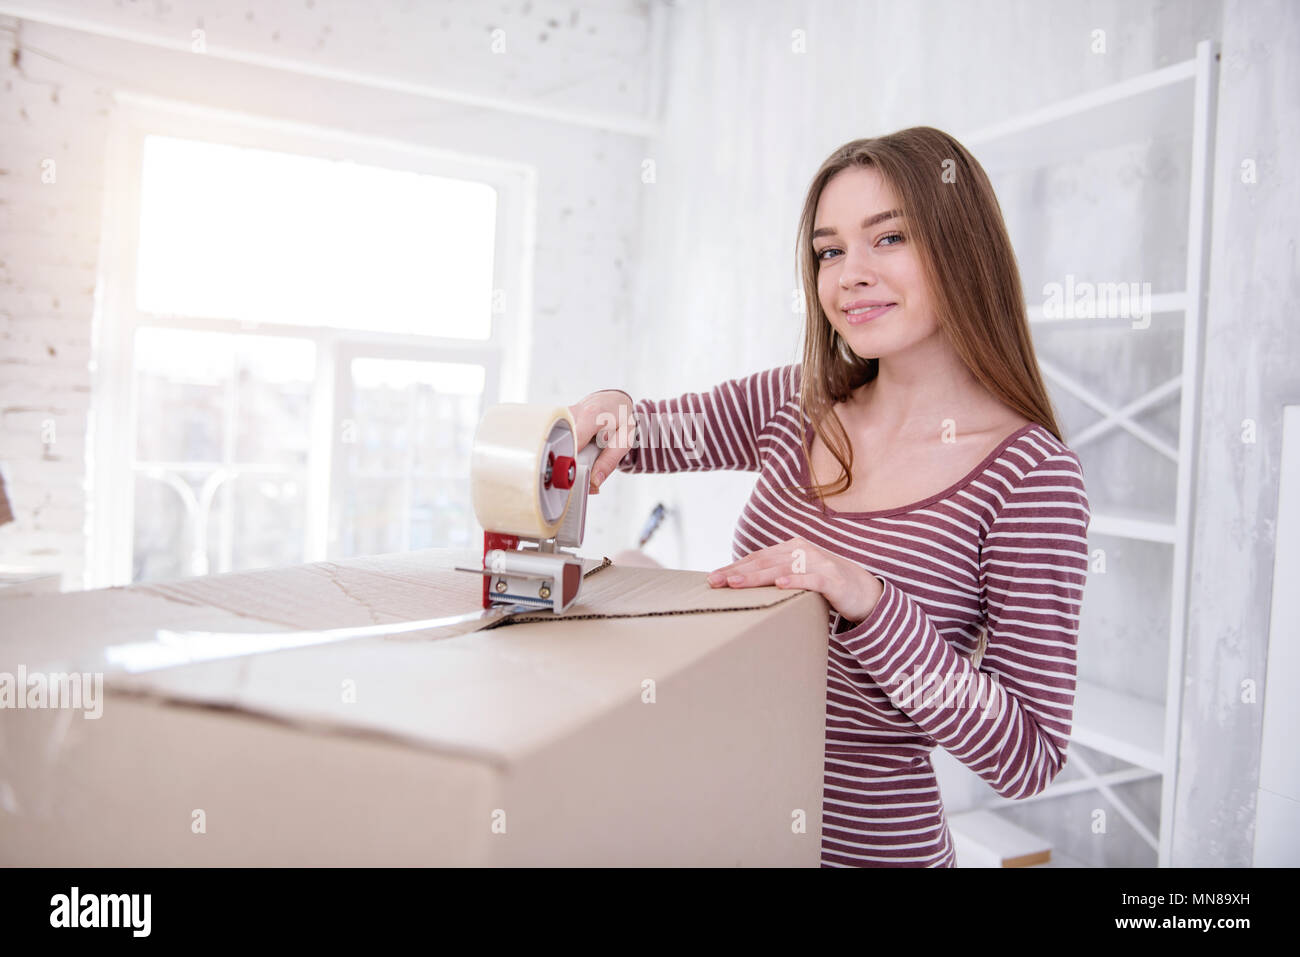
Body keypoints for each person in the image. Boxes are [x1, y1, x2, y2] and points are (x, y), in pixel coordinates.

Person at [567, 126, 1091, 868]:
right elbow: (645, 432)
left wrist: (867, 597)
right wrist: (616, 403)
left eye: (889, 238)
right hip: (726, 825)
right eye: (830, 251)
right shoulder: (796, 403)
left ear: (962, 248)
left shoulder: (1029, 477)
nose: (850, 275)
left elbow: (1028, 753)